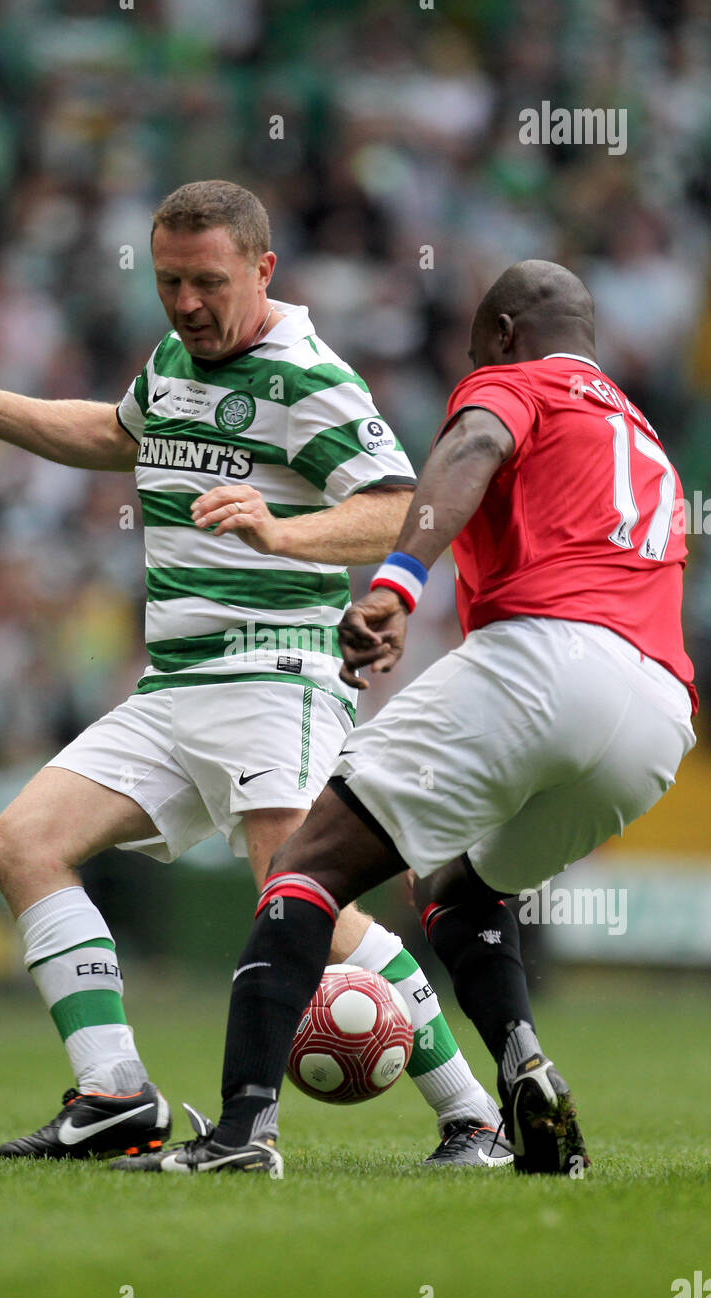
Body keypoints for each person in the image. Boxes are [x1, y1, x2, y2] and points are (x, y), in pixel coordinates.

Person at [0, 180, 509, 1168]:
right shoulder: (174, 355)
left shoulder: (306, 374)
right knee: (23, 843)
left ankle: (472, 1114)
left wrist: (277, 527)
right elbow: (122, 437)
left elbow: (397, 507)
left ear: (262, 270)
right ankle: (116, 1093)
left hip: (275, 677)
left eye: (207, 282)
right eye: (168, 281)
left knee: (297, 897)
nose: (186, 303)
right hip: (173, 685)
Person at [126, 259, 698, 1177]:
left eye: (476, 344)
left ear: (506, 332)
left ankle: (240, 1134)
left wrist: (397, 583)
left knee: (306, 867)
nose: (469, 362)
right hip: (658, 717)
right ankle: (524, 1077)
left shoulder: (516, 382)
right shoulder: (646, 440)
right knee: (460, 893)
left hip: (544, 661)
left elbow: (470, 449)